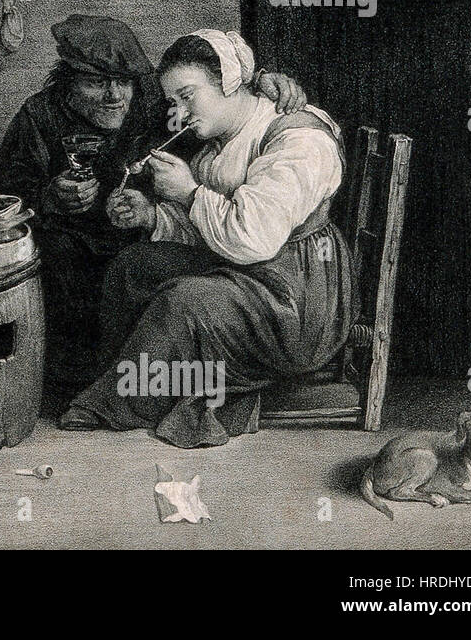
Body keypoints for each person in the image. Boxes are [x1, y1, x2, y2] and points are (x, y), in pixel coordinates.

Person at [0, 15, 306, 412]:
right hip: (66, 255)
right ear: (66, 80)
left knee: (139, 269)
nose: (114, 96)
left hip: (150, 237)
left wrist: (264, 82)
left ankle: (130, 388)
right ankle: (66, 389)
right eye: (96, 82)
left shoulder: (158, 107)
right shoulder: (40, 116)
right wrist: (49, 197)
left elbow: (221, 99)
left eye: (123, 82)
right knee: (56, 258)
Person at [57, 30, 356, 447]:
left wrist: (189, 192)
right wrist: (152, 215)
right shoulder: (220, 140)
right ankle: (121, 378)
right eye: (172, 102)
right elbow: (209, 232)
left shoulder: (297, 139)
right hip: (254, 271)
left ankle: (119, 401)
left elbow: (252, 238)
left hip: (296, 297)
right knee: (135, 266)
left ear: (230, 81)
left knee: (184, 300)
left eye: (187, 96)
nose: (178, 113)